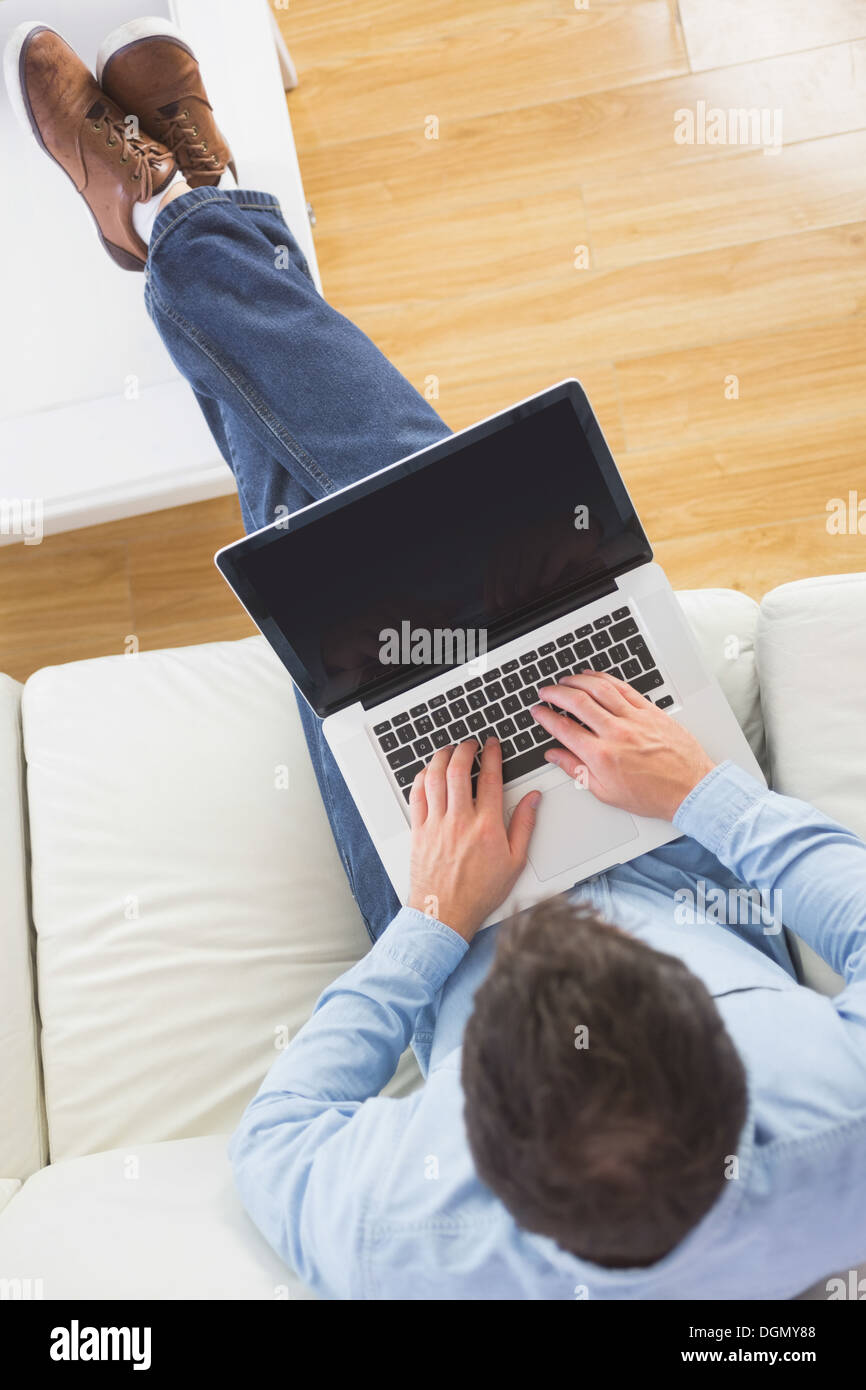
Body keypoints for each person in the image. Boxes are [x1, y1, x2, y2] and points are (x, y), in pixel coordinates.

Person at [12, 19, 866, 1301]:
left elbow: (277, 1138)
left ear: (473, 1142)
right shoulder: (841, 1127)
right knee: (385, 523)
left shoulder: (420, 1244)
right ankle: (183, 218)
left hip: (444, 883)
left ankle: (190, 219)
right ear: (719, 1050)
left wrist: (434, 924)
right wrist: (701, 795)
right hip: (679, 848)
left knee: (366, 542)